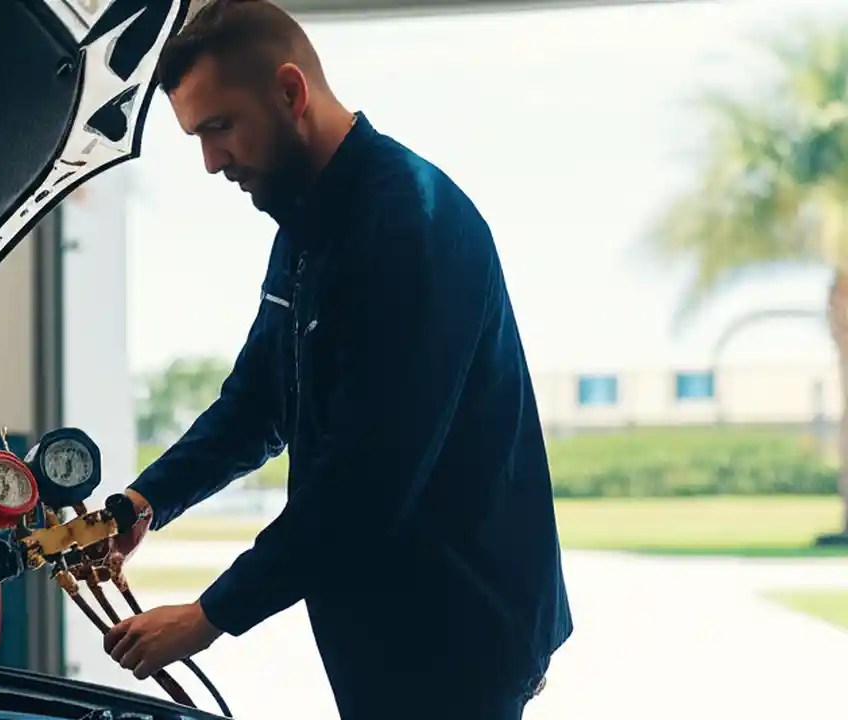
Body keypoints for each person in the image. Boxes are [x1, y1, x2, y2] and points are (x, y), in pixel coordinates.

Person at [102, 1, 572, 717]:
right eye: (198, 138)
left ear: (291, 92)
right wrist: (145, 501)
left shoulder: (410, 227)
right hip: (381, 628)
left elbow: (366, 484)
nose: (210, 162)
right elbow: (257, 404)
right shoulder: (306, 220)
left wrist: (209, 616)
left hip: (457, 640)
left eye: (219, 128)